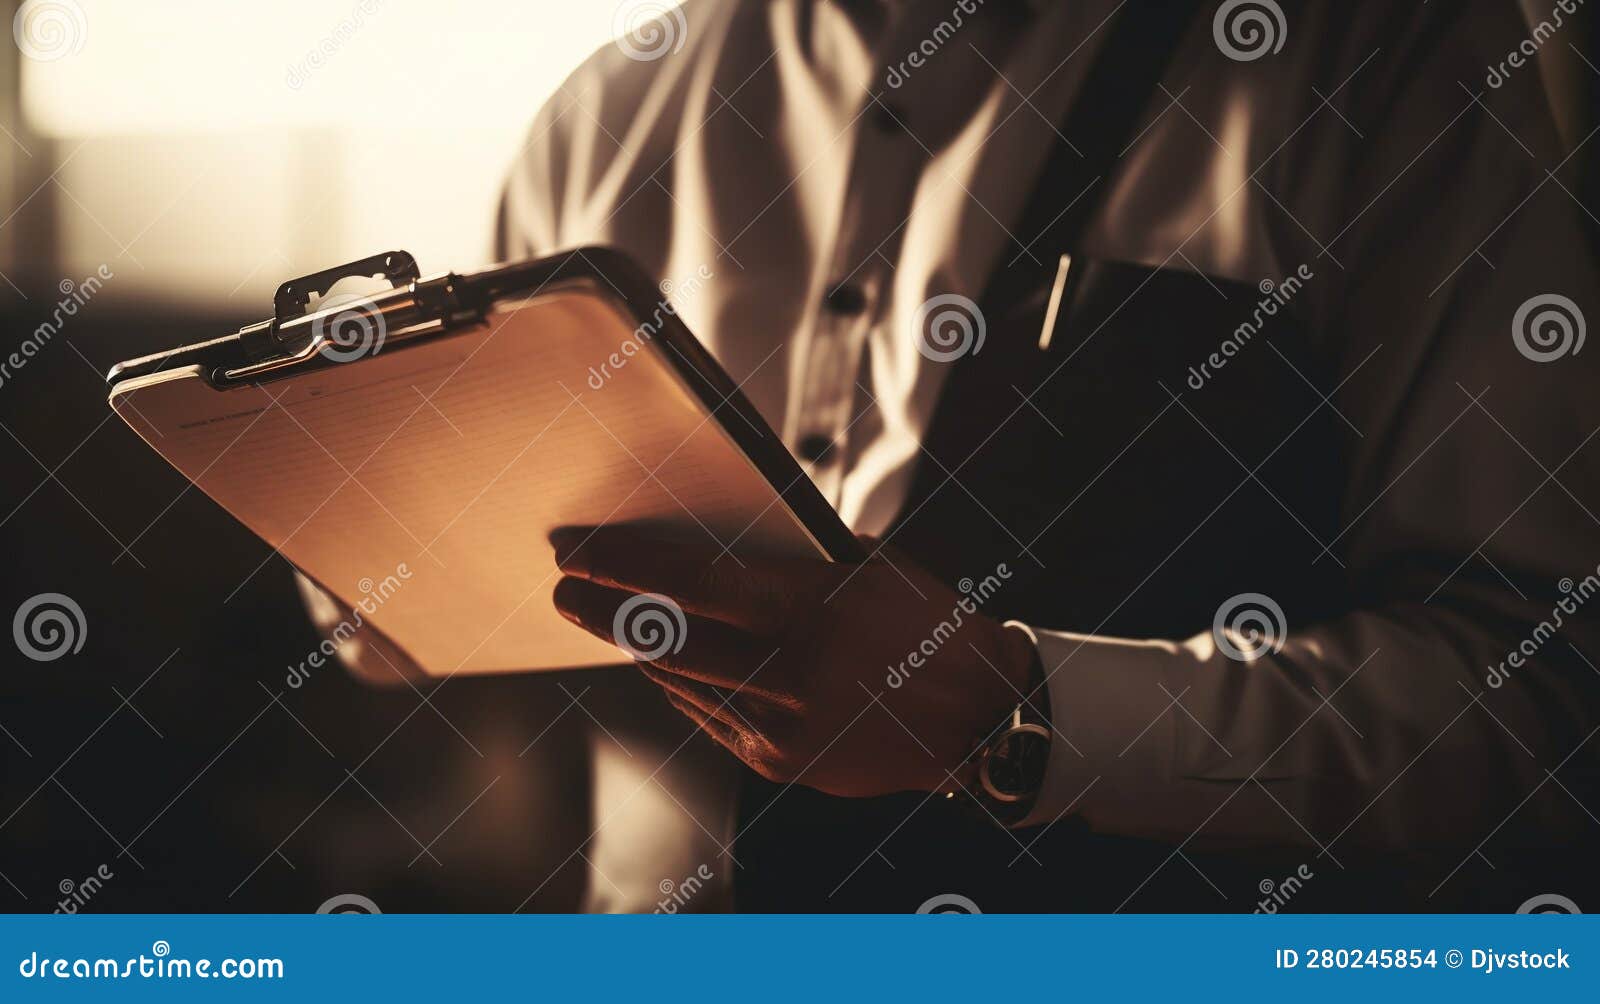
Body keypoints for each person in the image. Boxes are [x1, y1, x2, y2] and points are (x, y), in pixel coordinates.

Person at [310, 0, 1600, 911]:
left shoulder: (1384, 57)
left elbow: (1538, 695)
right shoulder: (598, 116)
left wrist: (1022, 714)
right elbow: (418, 615)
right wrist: (362, 528)